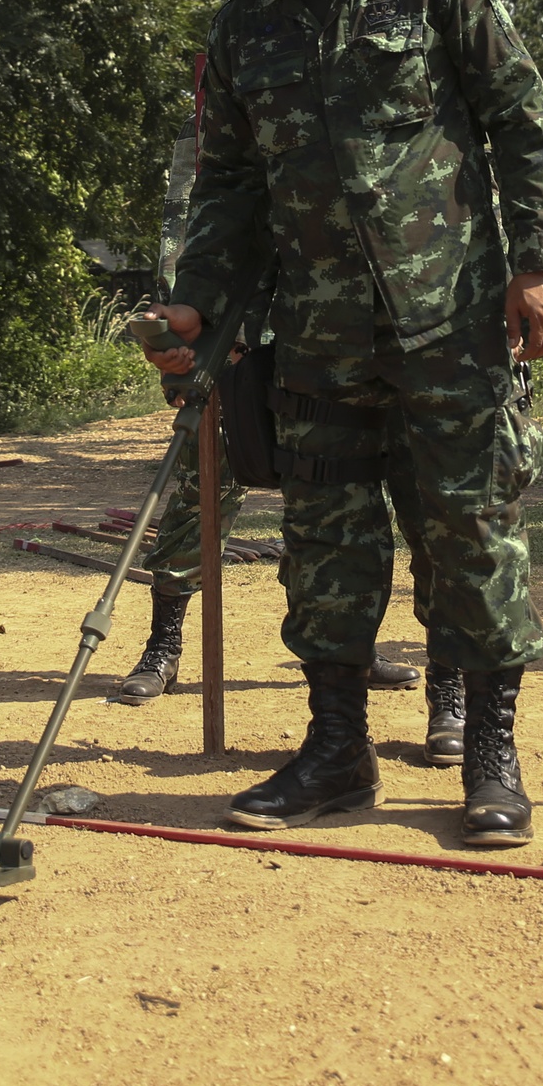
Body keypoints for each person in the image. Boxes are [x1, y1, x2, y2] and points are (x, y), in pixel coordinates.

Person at [141, 0, 543, 846]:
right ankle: (336, 751)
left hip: (454, 327)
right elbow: (231, 188)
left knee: (470, 530)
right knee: (324, 547)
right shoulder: (241, 28)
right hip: (318, 342)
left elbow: (521, 121)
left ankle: (487, 759)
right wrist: (197, 299)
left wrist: (538, 261)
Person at [121, 109, 422, 702]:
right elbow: (187, 233)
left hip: (330, 335)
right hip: (234, 331)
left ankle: (350, 645)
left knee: (341, 504)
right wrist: (195, 334)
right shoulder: (223, 123)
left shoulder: (349, 108)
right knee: (201, 490)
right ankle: (164, 647)